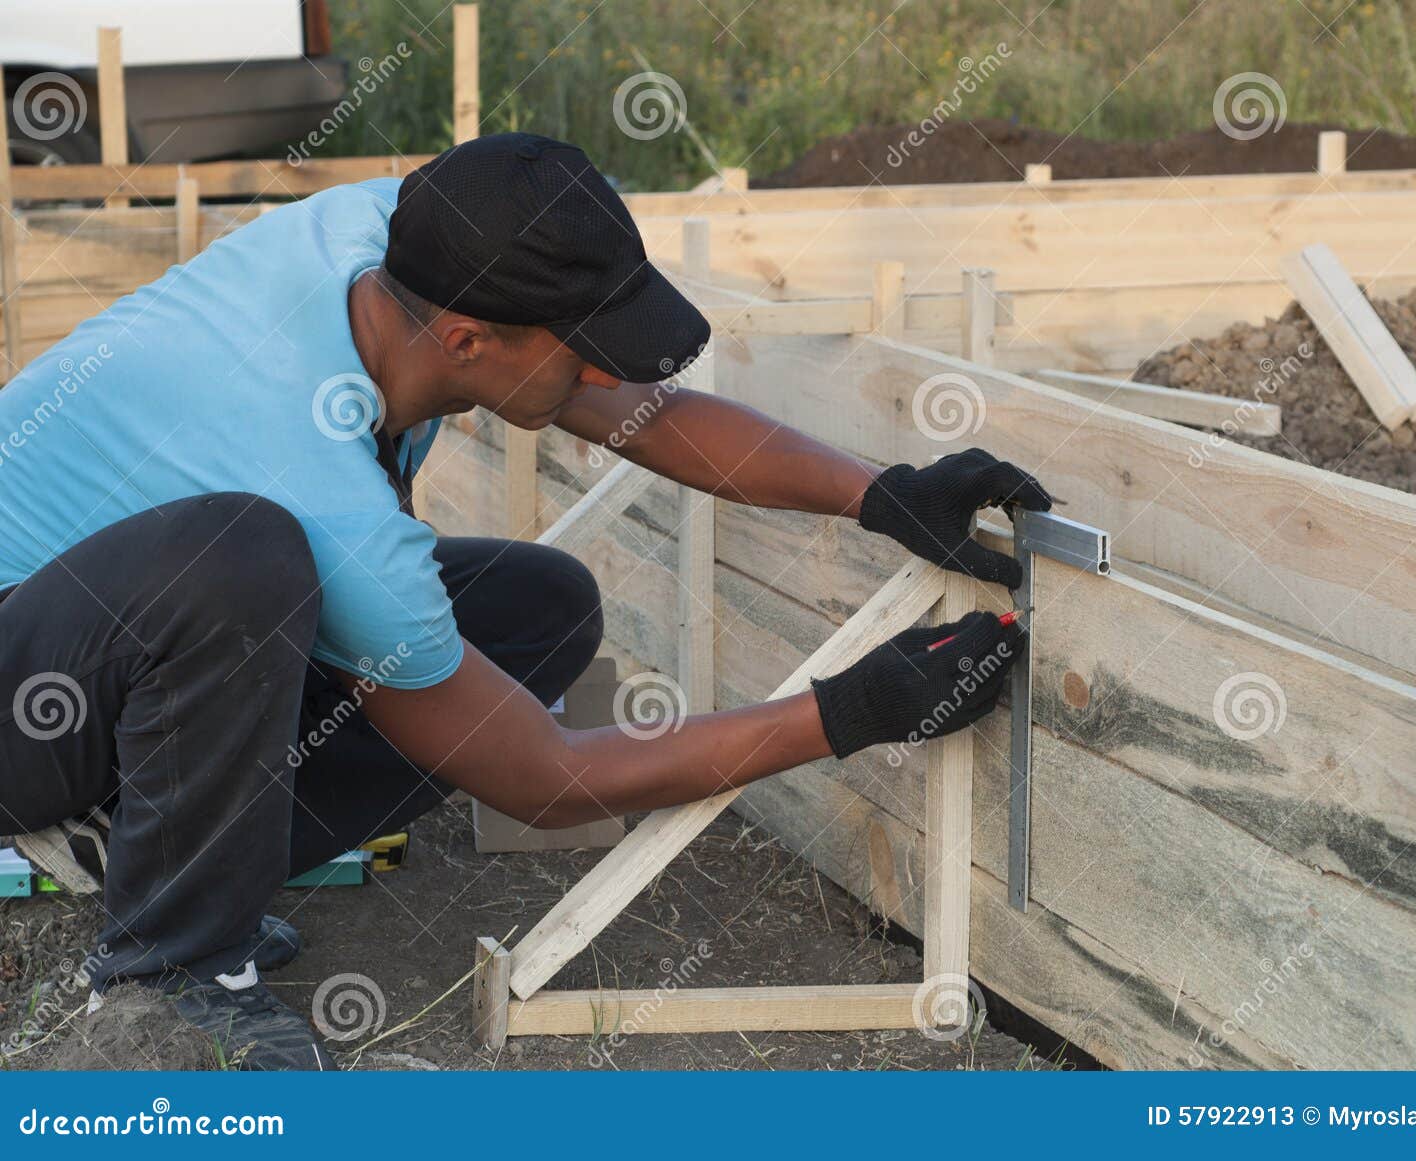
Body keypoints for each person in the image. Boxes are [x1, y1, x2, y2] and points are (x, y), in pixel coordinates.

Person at [0, 133, 1048, 1068]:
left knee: (532, 608)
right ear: (465, 342)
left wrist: (881, 493)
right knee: (246, 559)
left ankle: (149, 846)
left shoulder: (400, 236)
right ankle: (175, 969)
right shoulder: (317, 487)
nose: (606, 372)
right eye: (583, 348)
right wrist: (850, 713)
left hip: (103, 644)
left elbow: (647, 414)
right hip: (24, 685)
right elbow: (541, 779)